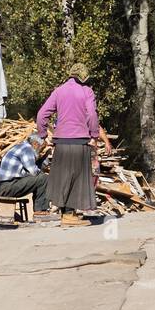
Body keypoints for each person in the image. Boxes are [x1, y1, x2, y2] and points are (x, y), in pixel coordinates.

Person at [37, 63, 111, 227]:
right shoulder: (87, 91)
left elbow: (41, 115)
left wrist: (43, 135)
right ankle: (70, 215)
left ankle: (67, 214)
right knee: (78, 179)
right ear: (84, 77)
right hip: (79, 142)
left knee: (63, 178)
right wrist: (93, 135)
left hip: (61, 144)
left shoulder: (59, 91)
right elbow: (92, 114)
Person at [0, 133, 52, 219]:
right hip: (8, 187)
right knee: (43, 178)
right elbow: (33, 172)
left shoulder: (21, 146)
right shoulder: (27, 149)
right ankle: (40, 210)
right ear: (35, 144)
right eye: (41, 148)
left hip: (5, 185)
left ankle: (41, 209)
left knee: (41, 177)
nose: (40, 150)